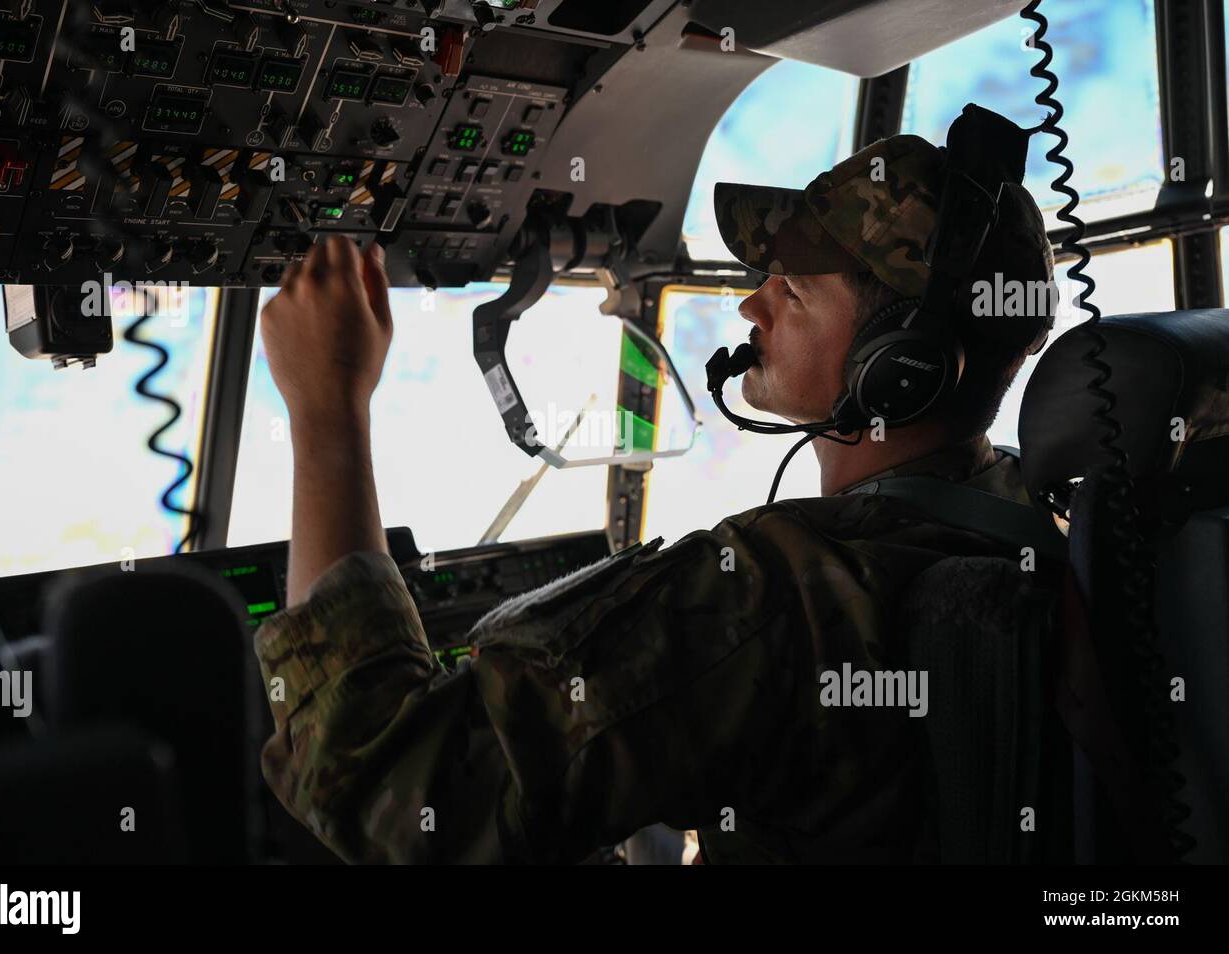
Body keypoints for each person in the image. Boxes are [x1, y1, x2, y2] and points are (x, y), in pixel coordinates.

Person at [253, 120, 1055, 863]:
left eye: (794, 289)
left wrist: (327, 408)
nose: (752, 304)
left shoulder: (780, 600)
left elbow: (379, 782)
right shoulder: (1040, 518)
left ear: (899, 364)